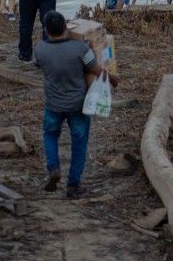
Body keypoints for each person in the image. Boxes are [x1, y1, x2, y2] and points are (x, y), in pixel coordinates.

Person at [34, 11, 117, 197]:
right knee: (79, 143)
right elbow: (96, 69)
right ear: (66, 27)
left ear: (46, 30)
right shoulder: (80, 48)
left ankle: (53, 167)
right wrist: (113, 78)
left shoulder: (39, 49)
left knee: (50, 135)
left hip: (53, 105)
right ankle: (73, 185)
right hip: (78, 106)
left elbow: (37, 64)